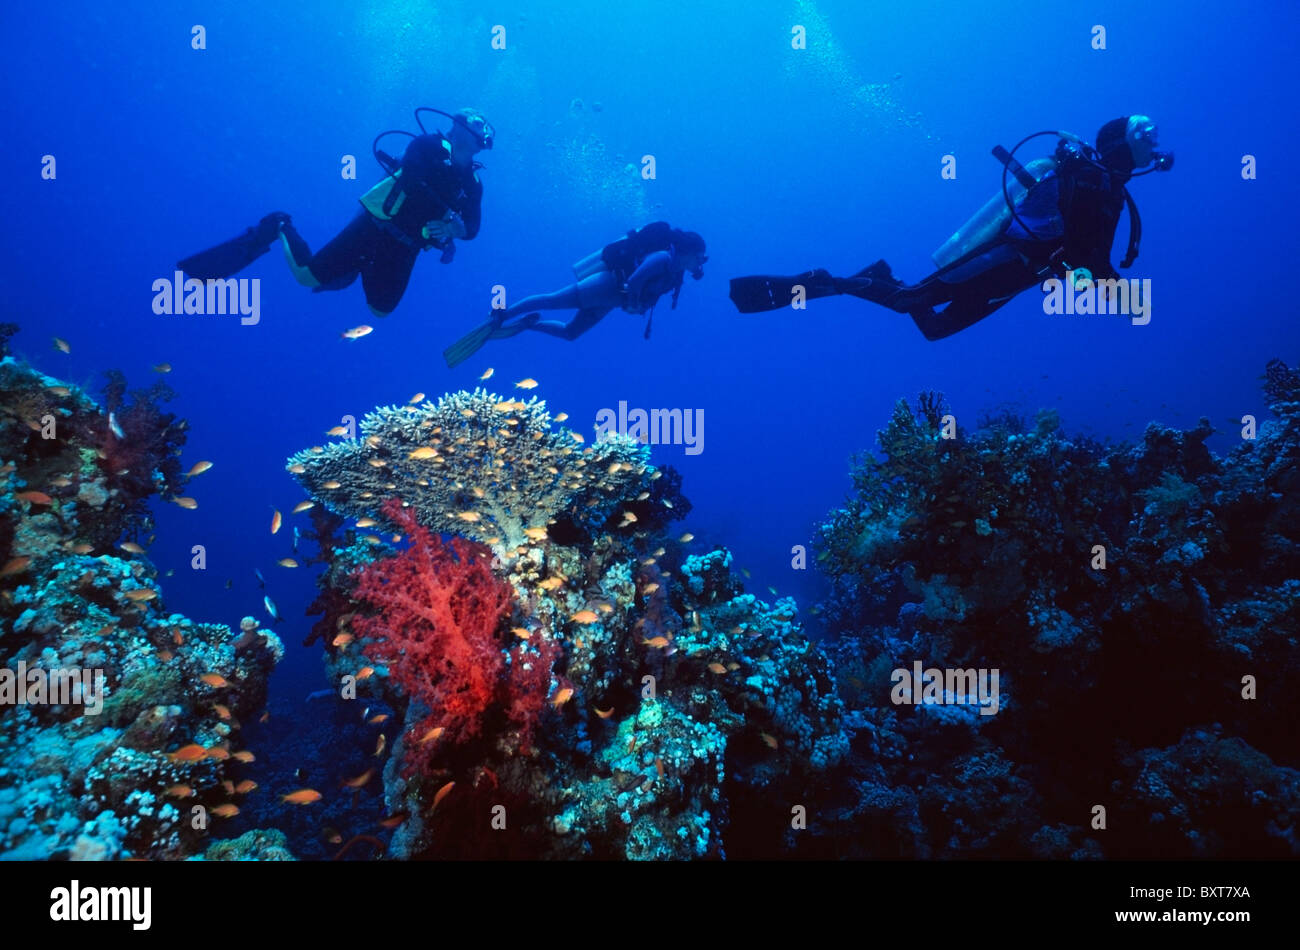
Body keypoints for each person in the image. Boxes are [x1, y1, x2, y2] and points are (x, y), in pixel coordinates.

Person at [729, 116, 1172, 339]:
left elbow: (1088, 261)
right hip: (1003, 260)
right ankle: (831, 282)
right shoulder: (1096, 185)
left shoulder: (1108, 187)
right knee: (909, 303)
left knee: (935, 329)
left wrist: (1113, 289)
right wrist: (1131, 300)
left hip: (1021, 275)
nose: (1154, 146)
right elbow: (1092, 262)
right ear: (1125, 143)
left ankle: (879, 276)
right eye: (1147, 138)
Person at [177, 108, 493, 317]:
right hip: (374, 228)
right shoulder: (428, 145)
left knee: (380, 312)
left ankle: (351, 269)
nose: (479, 129)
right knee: (305, 276)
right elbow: (411, 177)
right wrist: (447, 216)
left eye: (482, 129)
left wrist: (454, 229)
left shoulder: (473, 183)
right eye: (474, 123)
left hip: (407, 246)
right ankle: (279, 224)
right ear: (457, 126)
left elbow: (474, 228)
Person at [443, 222, 707, 367]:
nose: (701, 264)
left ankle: (528, 324)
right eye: (700, 257)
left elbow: (647, 292)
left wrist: (635, 306)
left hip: (612, 301)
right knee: (553, 299)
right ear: (690, 251)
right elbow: (636, 280)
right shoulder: (662, 258)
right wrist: (635, 303)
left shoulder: (675, 275)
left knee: (571, 333)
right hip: (606, 286)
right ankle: (502, 314)